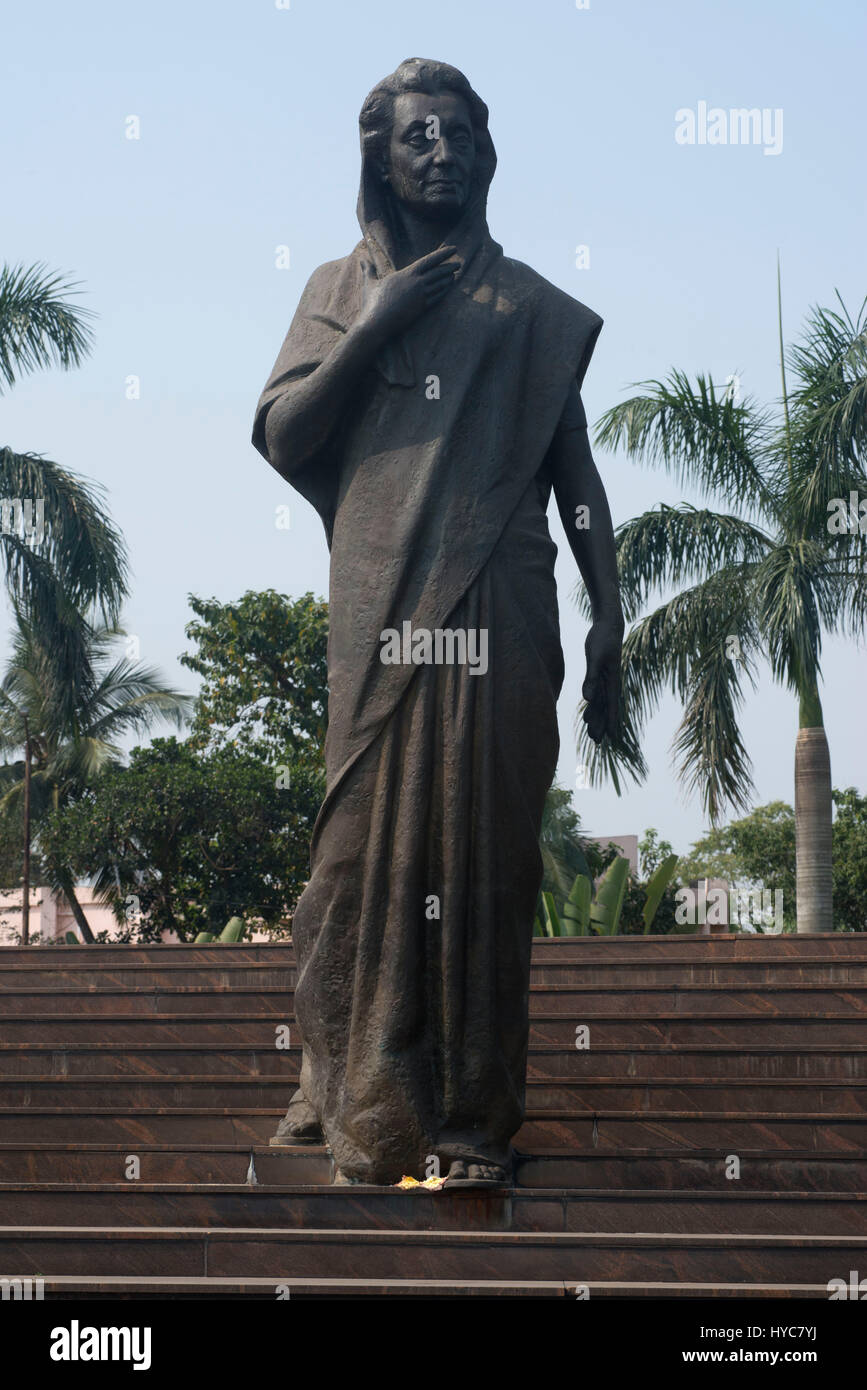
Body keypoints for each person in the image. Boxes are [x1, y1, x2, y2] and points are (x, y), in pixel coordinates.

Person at [253, 58, 624, 1186]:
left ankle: (469, 1119)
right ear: (382, 156)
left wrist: (611, 611)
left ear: (484, 152)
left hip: (502, 604)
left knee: (484, 859)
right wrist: (375, 327)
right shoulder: (337, 285)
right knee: (356, 860)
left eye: (459, 134)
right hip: (380, 606)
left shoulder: (530, 311)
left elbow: (578, 477)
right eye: (420, 136)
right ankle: (344, 1086)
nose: (442, 152)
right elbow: (284, 433)